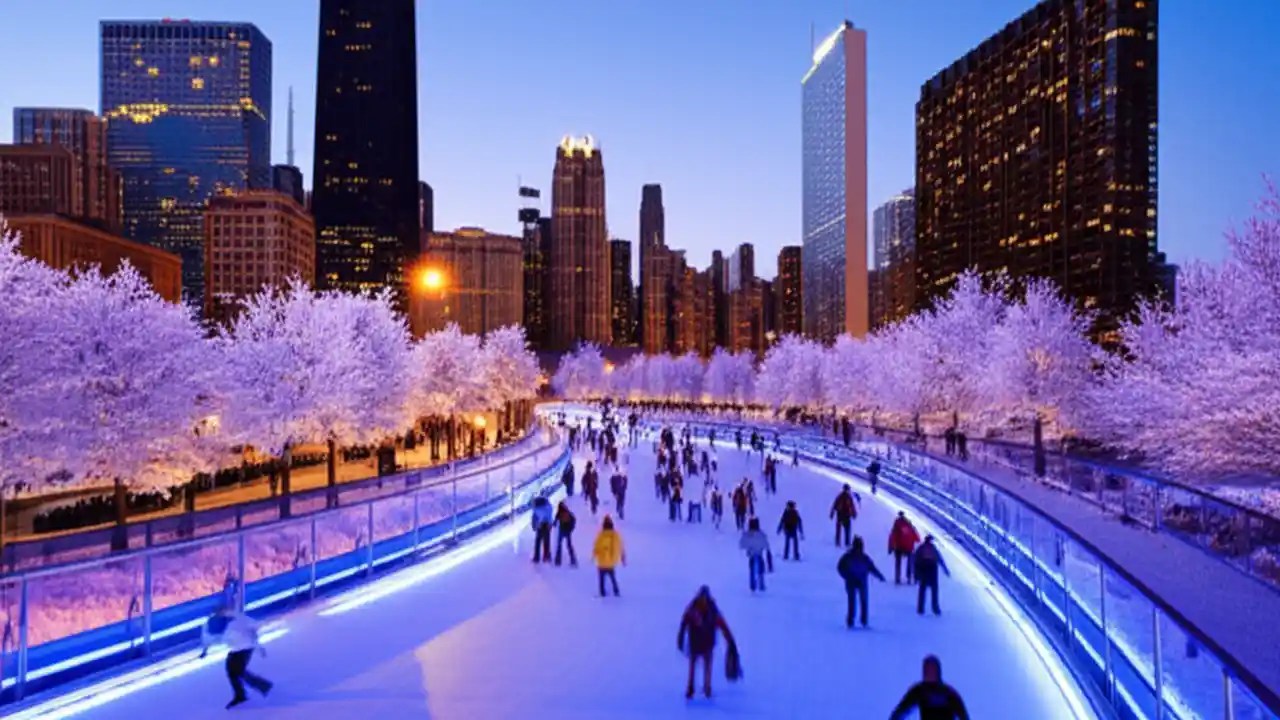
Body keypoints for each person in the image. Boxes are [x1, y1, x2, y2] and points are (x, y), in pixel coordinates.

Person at [201, 604, 273, 708]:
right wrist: (205, 650)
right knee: (233, 672)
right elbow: (208, 638)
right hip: (236, 649)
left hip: (245, 647)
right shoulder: (213, 624)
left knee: (237, 671)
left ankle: (260, 687)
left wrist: (258, 646)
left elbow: (254, 628)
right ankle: (244, 693)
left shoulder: (237, 619)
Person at [677, 586, 737, 699]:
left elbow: (722, 625)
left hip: (705, 643)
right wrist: (680, 637)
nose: (703, 601)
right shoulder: (700, 609)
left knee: (704, 665)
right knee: (697, 665)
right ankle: (694, 688)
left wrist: (729, 639)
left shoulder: (706, 610)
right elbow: (684, 623)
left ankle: (705, 688)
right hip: (698, 642)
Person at [889, 655, 969, 720]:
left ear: (938, 672)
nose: (929, 673)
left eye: (932, 670)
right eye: (927, 670)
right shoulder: (919, 690)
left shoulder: (949, 693)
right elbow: (900, 710)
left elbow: (963, 716)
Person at [836, 536, 886, 628]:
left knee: (863, 601)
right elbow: (840, 568)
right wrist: (847, 576)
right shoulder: (848, 557)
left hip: (862, 581)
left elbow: (872, 568)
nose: (859, 549)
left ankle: (863, 621)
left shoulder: (864, 557)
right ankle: (851, 620)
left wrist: (880, 576)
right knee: (852, 601)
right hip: (851, 581)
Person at [913, 536, 952, 615]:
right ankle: (935, 608)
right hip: (932, 569)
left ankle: (920, 608)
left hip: (923, 568)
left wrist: (916, 573)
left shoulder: (921, 548)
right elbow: (939, 559)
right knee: (934, 590)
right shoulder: (933, 548)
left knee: (922, 590)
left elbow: (915, 560)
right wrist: (945, 569)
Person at [592, 515, 625, 597]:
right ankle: (616, 591)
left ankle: (602, 593)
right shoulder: (616, 535)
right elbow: (620, 547)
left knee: (601, 579)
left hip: (602, 561)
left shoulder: (600, 535)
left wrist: (593, 556)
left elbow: (596, 547)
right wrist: (622, 557)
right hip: (611, 562)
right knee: (613, 578)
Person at [888, 511, 921, 584]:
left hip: (899, 546)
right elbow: (917, 537)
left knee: (898, 562)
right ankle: (909, 577)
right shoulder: (909, 524)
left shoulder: (896, 525)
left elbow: (892, 536)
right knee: (910, 562)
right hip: (909, 546)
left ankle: (898, 577)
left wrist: (890, 547)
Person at [739, 518, 772, 592]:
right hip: (759, 553)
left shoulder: (747, 534)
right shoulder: (761, 534)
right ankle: (761, 584)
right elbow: (766, 544)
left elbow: (741, 544)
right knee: (761, 569)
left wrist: (747, 547)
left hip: (751, 554)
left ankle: (752, 585)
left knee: (751, 569)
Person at [530, 495, 553, 563]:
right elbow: (550, 516)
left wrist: (534, 526)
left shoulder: (536, 509)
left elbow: (534, 518)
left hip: (540, 525)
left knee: (538, 542)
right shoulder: (549, 507)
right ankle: (547, 557)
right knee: (547, 541)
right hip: (548, 525)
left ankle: (536, 558)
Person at [555, 500, 578, 567]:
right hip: (568, 531)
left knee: (559, 545)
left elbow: (555, 521)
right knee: (569, 546)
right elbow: (574, 519)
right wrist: (572, 528)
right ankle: (573, 560)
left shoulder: (559, 512)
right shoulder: (568, 512)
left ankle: (558, 561)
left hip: (562, 530)